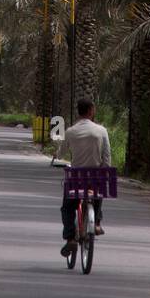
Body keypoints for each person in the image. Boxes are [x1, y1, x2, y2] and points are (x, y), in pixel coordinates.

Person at [57, 98, 112, 257]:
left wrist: (57, 154)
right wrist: (105, 171)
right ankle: (97, 223)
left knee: (68, 207)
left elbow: (61, 154)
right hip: (95, 176)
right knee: (98, 191)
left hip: (77, 177)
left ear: (79, 112)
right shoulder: (101, 131)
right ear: (90, 111)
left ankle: (70, 238)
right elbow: (107, 157)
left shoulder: (70, 131)